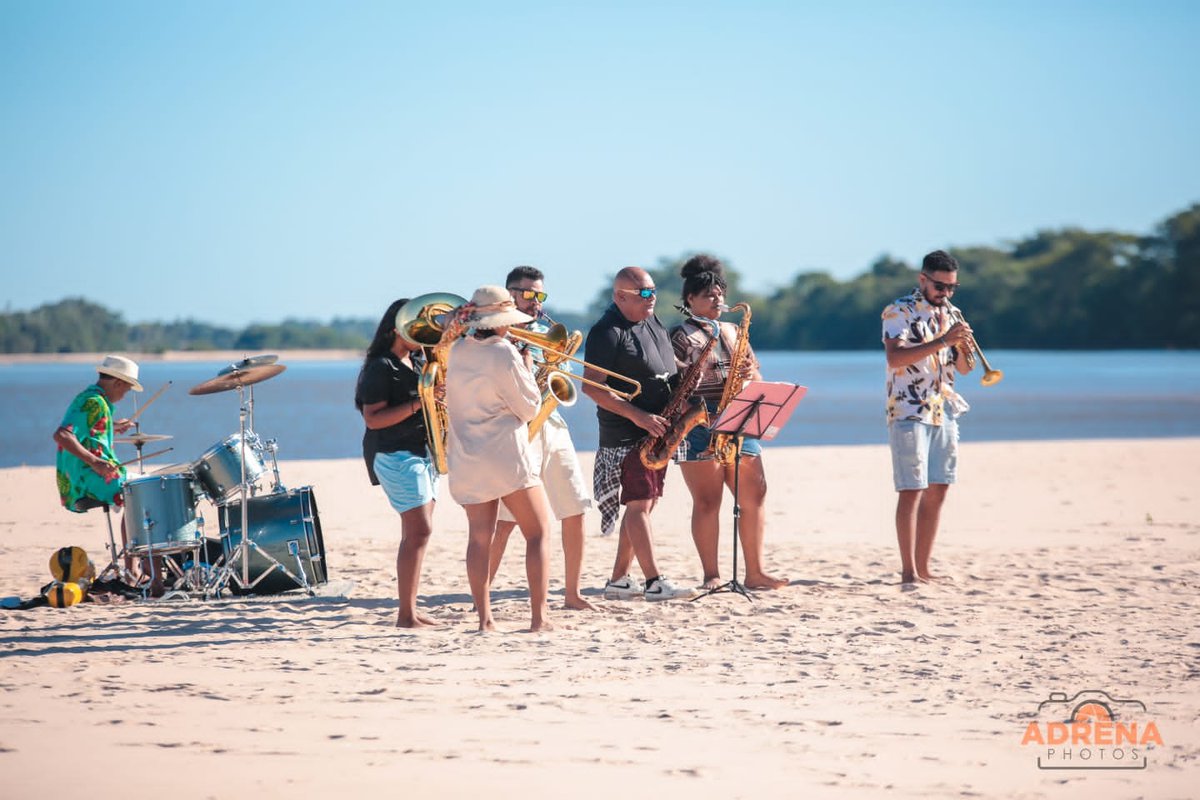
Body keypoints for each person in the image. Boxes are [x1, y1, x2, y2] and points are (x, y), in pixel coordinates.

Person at [669, 255, 787, 591]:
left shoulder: (735, 331)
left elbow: (757, 374)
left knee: (755, 496)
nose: (717, 299)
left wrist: (752, 376)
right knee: (708, 502)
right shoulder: (681, 335)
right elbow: (673, 386)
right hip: (700, 425)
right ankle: (711, 575)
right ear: (689, 299)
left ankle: (755, 572)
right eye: (708, 294)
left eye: (719, 292)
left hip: (740, 421)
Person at [581, 267, 695, 601]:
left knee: (644, 506)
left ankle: (618, 580)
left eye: (653, 291)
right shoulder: (606, 332)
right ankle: (654, 582)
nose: (652, 298)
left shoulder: (651, 320)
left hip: (657, 430)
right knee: (639, 505)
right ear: (620, 296)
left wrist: (689, 380)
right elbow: (593, 388)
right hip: (627, 434)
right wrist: (639, 415)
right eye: (643, 293)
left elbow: (664, 366)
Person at [445, 285, 554, 632]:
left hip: (468, 456)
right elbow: (529, 407)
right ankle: (539, 619)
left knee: (479, 537)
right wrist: (525, 364)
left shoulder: (458, 350)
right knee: (539, 532)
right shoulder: (504, 353)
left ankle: (485, 620)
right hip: (505, 454)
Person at [489, 266, 596, 611]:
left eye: (541, 295)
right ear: (511, 294)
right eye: (529, 294)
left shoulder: (547, 332)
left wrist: (552, 363)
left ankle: (572, 594)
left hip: (552, 424)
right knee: (504, 522)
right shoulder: (494, 335)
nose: (536, 302)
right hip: (517, 430)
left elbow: (562, 380)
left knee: (575, 508)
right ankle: (483, 594)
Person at [882, 250, 974, 584]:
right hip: (908, 407)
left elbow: (963, 368)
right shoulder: (899, 310)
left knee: (939, 487)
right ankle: (908, 571)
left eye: (952, 287)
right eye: (940, 286)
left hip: (943, 408)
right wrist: (942, 341)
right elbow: (895, 358)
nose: (946, 293)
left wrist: (961, 346)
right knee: (912, 489)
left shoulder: (952, 313)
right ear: (923, 279)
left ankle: (924, 567)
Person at [355, 299, 440, 628]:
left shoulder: (416, 361)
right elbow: (373, 419)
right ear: (396, 328)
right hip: (394, 452)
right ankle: (405, 614)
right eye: (416, 326)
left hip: (420, 451)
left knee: (417, 533)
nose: (423, 331)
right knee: (420, 531)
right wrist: (419, 404)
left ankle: (411, 609)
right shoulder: (380, 366)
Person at [52, 355, 145, 584]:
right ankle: (134, 570)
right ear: (118, 383)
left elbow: (86, 429)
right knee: (140, 491)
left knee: (141, 488)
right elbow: (62, 435)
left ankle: (134, 568)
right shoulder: (93, 401)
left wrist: (112, 425)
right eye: (126, 389)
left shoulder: (95, 400)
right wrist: (94, 462)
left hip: (92, 474)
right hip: (86, 478)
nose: (125, 395)